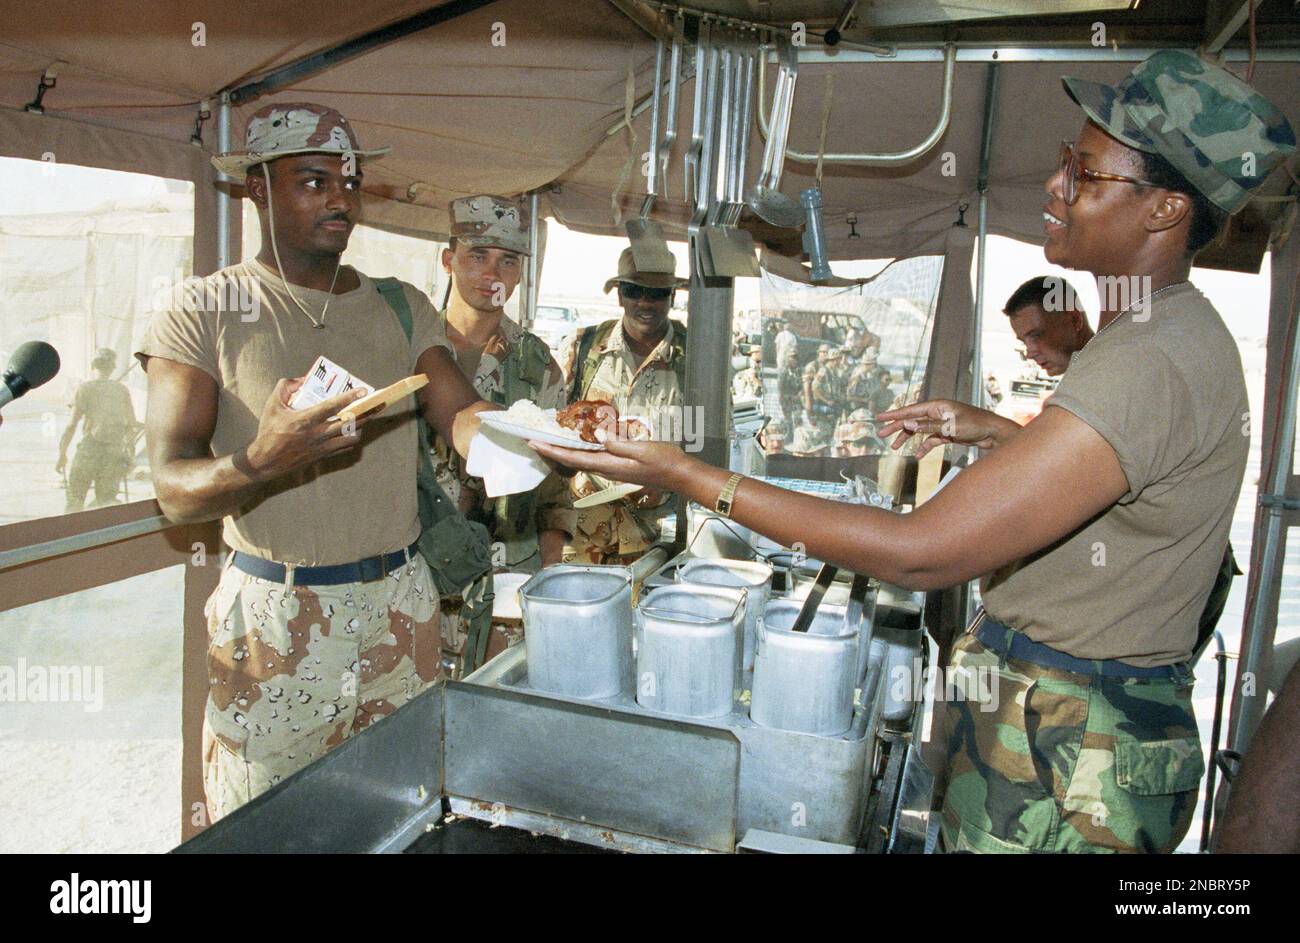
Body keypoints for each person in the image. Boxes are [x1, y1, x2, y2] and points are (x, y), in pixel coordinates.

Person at [533, 51, 1294, 853]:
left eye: (1087, 174)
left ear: (1164, 211)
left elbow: (919, 553)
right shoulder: (1152, 332)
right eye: (1066, 163)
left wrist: (687, 473)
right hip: (1057, 730)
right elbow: (1128, 484)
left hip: (1075, 759)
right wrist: (998, 433)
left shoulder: (1150, 356)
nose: (1054, 187)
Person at [135, 102, 493, 821]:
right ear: (257, 189)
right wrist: (261, 460)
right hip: (275, 618)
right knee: (271, 826)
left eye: (348, 181)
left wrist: (549, 442)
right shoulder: (203, 310)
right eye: (312, 180)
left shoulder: (400, 307)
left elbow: (462, 417)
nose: (340, 198)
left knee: (402, 816)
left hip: (401, 604)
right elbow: (172, 488)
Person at [430, 194, 571, 672]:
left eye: (507, 260)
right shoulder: (407, 345)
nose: (492, 273)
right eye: (477, 256)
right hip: (416, 574)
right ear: (449, 260)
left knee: (494, 713)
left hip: (505, 575)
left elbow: (556, 484)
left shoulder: (536, 365)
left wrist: (548, 574)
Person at [558, 247, 687, 565]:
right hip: (580, 529)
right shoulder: (583, 348)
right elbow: (551, 426)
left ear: (671, 297)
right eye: (633, 291)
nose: (644, 303)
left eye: (656, 293)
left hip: (655, 537)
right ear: (619, 296)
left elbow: (710, 447)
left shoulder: (696, 358)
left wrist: (666, 484)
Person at [57, 347, 139, 512]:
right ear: (112, 368)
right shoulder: (121, 390)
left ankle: (73, 535)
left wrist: (62, 454)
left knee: (75, 501)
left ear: (93, 365)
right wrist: (130, 454)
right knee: (107, 506)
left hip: (90, 450)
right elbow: (131, 426)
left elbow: (71, 425)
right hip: (113, 453)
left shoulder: (85, 388)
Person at [1003, 274, 1094, 377]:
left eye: (1036, 336)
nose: (1029, 354)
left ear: (1074, 319)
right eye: (1024, 342)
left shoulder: (1106, 375)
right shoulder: (1087, 376)